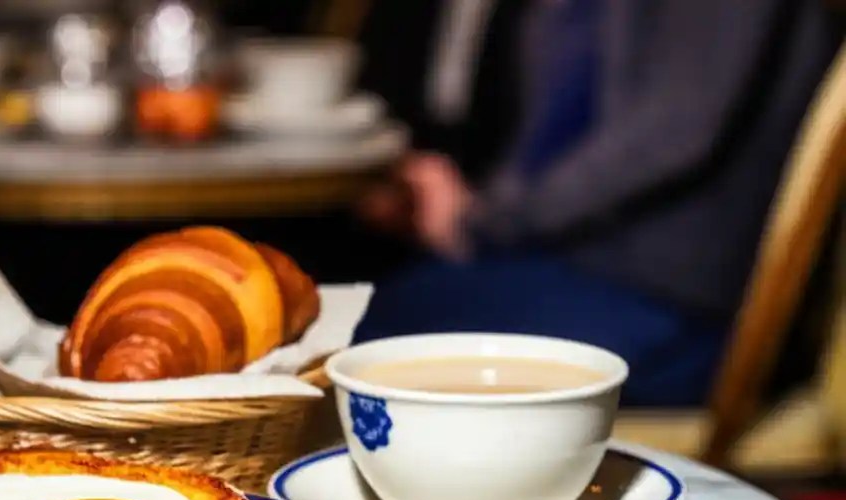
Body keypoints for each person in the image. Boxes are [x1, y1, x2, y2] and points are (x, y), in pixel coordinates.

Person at [356, 0, 842, 407]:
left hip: (675, 302)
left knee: (354, 340)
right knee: (359, 313)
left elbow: (670, 133)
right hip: (592, 266)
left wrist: (483, 220)